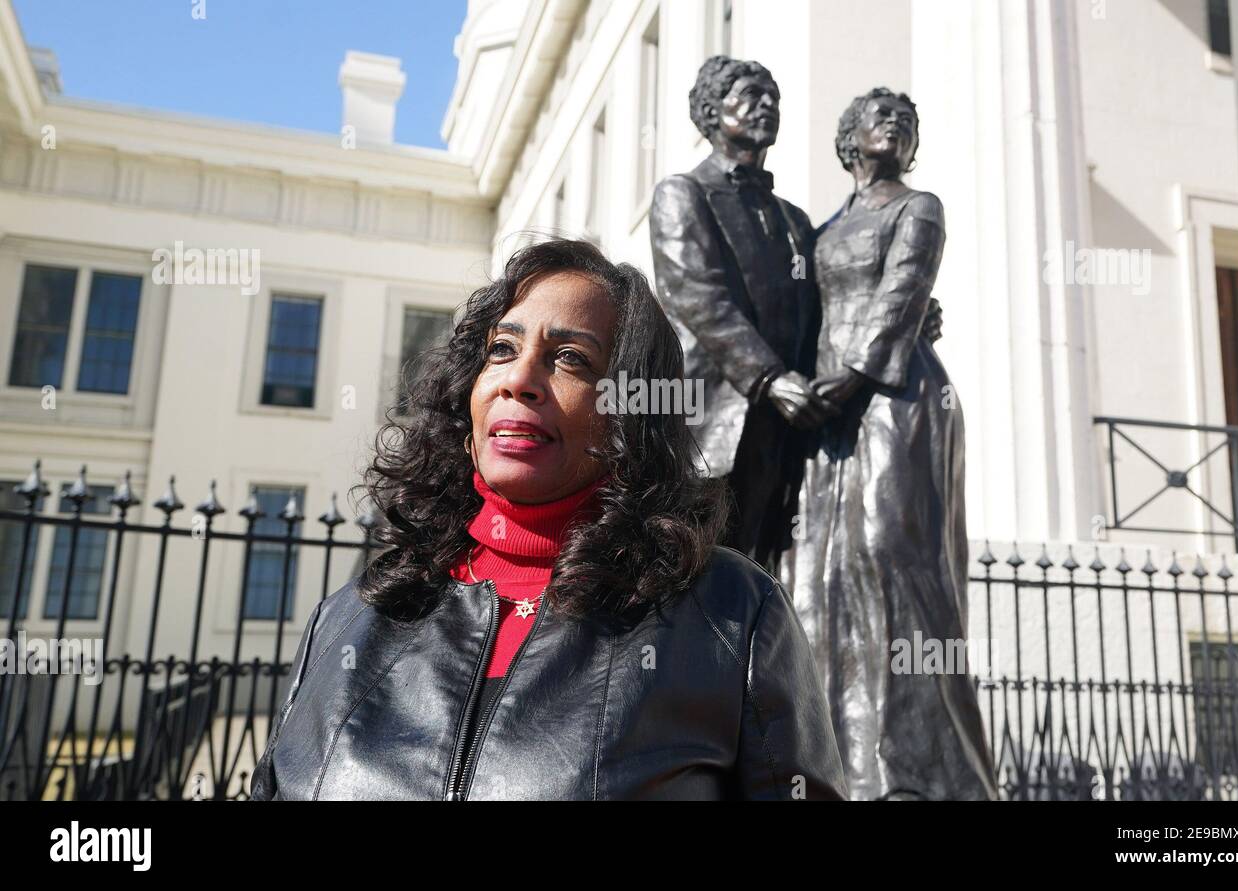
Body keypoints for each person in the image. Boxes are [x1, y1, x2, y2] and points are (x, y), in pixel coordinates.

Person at [249, 237, 847, 801]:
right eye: (501, 351)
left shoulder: (729, 614)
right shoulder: (348, 615)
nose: (519, 380)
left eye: (570, 359)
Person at [783, 88, 997, 800]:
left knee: (891, 551)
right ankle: (848, 759)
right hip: (830, 411)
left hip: (897, 397)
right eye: (881, 115)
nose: (897, 124)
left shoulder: (920, 207)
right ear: (849, 139)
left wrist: (852, 377)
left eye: (907, 119)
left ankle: (925, 765)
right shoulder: (825, 227)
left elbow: (904, 292)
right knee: (823, 574)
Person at [649, 55, 833, 574]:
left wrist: (913, 314)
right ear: (710, 111)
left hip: (783, 426)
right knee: (691, 572)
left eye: (772, 97)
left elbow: (826, 300)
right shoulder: (682, 194)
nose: (766, 106)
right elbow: (699, 296)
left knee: (758, 576)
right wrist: (770, 378)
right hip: (714, 419)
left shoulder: (794, 220)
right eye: (750, 95)